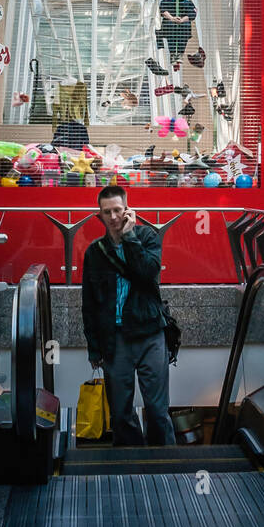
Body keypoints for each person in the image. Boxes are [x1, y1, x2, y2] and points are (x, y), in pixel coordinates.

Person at [81, 186, 175, 446]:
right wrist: (93, 348)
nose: (112, 217)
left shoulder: (147, 237)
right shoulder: (95, 252)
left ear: (128, 210)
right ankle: (130, 462)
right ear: (99, 215)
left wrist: (130, 236)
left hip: (150, 334)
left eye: (117, 210)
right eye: (106, 212)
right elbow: (88, 304)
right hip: (115, 339)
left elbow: (148, 273)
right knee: (121, 413)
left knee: (158, 410)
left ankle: (166, 464)